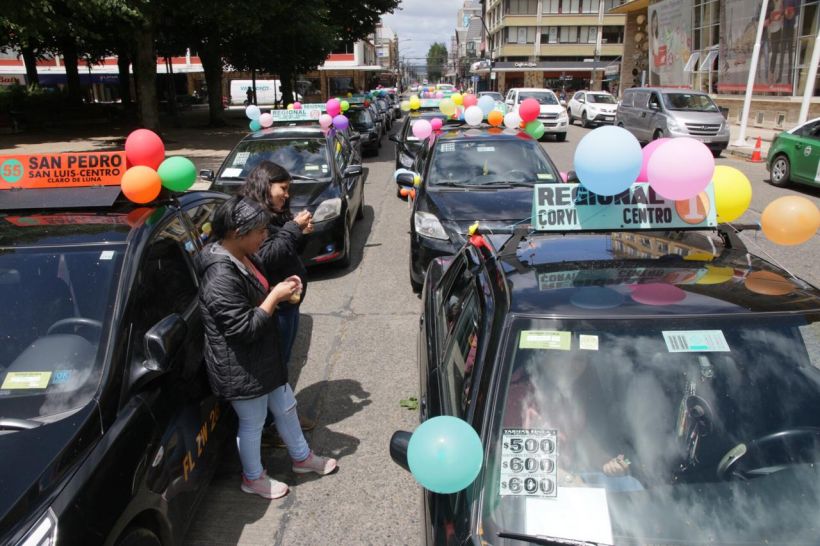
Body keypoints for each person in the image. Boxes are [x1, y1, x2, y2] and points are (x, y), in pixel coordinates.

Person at [197, 196, 336, 500]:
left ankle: (302, 458)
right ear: (236, 232)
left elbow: (256, 293)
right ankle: (253, 478)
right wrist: (275, 297)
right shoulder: (219, 274)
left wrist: (280, 288)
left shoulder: (244, 255)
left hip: (263, 356)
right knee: (253, 422)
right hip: (241, 364)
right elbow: (243, 328)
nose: (264, 236)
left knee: (286, 406)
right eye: (260, 231)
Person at [240, 161, 315, 431]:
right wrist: (293, 229)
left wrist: (301, 234)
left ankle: (285, 416)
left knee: (283, 364)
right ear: (265, 185)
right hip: (273, 307)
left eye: (288, 189)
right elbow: (266, 258)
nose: (286, 194)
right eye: (282, 188)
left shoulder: (277, 214)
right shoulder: (254, 217)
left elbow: (287, 253)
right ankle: (274, 426)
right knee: (276, 367)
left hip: (288, 304)